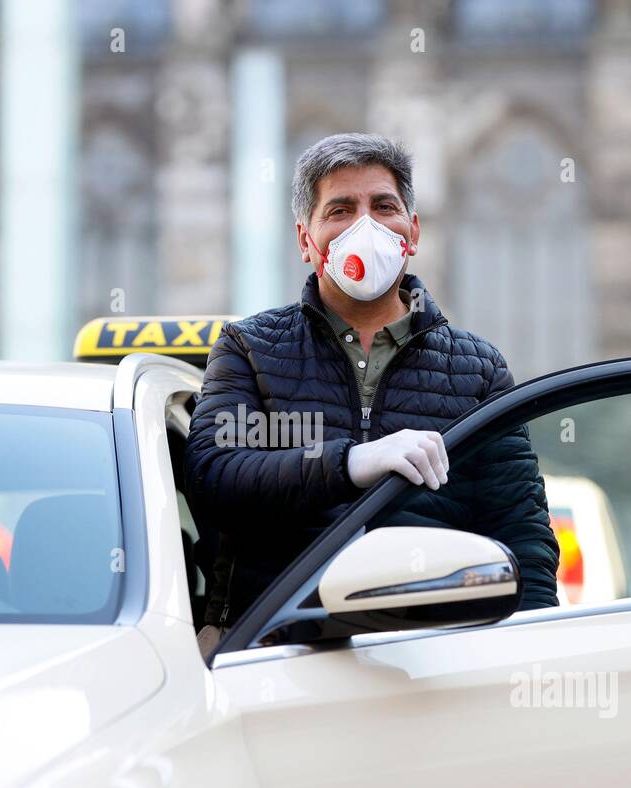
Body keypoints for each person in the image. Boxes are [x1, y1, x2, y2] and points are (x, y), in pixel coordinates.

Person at [185, 133, 559, 658]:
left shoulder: (477, 370)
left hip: (431, 664)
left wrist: (524, 659)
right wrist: (349, 463)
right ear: (305, 239)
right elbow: (214, 476)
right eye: (340, 209)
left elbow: (521, 536)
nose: (366, 226)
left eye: (384, 206)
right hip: (275, 658)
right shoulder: (251, 349)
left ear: (412, 232)